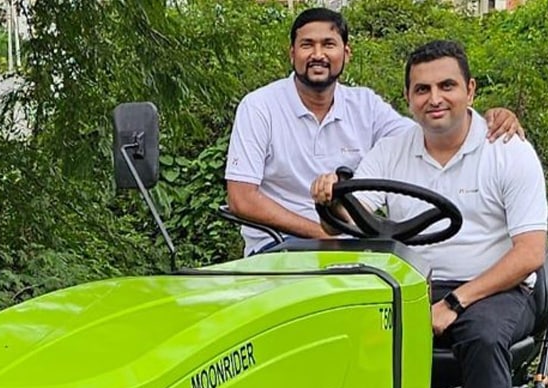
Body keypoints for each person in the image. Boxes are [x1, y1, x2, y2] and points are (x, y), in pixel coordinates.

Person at [310, 39, 548, 388]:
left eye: (446, 86)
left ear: (470, 90)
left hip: (499, 286)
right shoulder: (394, 148)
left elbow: (529, 253)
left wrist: (455, 303)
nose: (434, 98)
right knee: (339, 330)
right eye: (422, 89)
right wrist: (331, 197)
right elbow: (362, 217)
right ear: (408, 98)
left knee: (482, 338)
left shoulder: (507, 149)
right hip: (419, 285)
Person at [224, 7, 523, 256]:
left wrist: (491, 120)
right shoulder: (259, 106)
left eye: (328, 44)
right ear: (292, 54)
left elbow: (432, 131)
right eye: (307, 45)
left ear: (346, 53)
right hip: (278, 248)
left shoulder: (364, 105)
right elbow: (242, 199)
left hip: (349, 245)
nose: (318, 54)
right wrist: (323, 234)